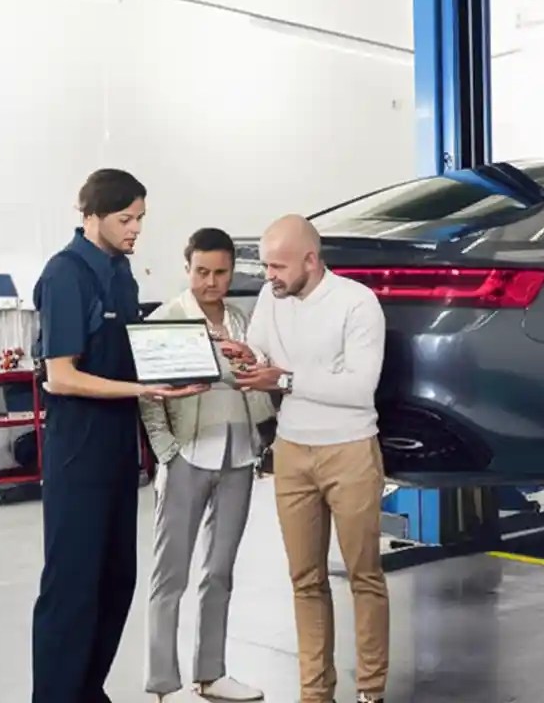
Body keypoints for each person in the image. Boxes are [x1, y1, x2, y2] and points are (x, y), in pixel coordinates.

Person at [30, 169, 209, 703]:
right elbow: (61, 375)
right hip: (77, 450)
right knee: (73, 584)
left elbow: (132, 351)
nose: (136, 229)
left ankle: (87, 689)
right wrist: (143, 389)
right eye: (125, 219)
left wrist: (181, 363)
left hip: (116, 448)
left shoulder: (123, 274)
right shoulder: (65, 274)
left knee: (116, 579)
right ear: (91, 216)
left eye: (140, 219)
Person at [221, 214, 389, 703]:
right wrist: (247, 356)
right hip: (292, 453)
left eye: (278, 266)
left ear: (311, 261)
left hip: (350, 450)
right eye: (266, 266)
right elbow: (262, 353)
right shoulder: (271, 300)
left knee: (364, 576)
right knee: (305, 580)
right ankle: (315, 693)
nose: (268, 275)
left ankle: (371, 691)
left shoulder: (357, 302)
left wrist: (286, 380)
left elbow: (360, 388)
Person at [138, 227, 278, 702]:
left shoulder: (241, 320)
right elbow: (150, 398)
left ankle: (212, 674)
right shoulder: (166, 319)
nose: (211, 281)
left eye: (220, 273)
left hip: (238, 456)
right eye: (202, 272)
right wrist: (167, 453)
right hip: (188, 456)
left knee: (220, 571)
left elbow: (257, 383)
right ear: (187, 268)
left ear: (232, 272)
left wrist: (261, 439)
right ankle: (162, 684)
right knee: (170, 576)